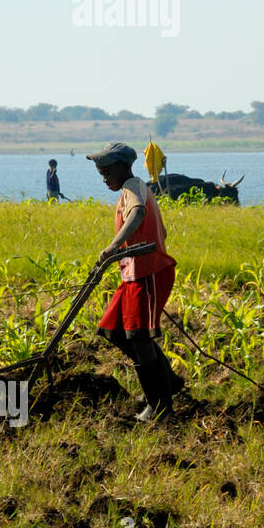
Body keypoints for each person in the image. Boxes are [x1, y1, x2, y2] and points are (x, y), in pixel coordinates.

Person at [86, 142, 184, 422]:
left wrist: (114, 245)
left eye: (106, 171)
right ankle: (166, 381)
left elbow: (138, 213)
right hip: (133, 273)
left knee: (139, 338)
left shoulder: (133, 188)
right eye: (99, 172)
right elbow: (160, 229)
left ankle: (160, 405)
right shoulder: (130, 189)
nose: (103, 177)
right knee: (113, 330)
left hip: (147, 273)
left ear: (123, 167)